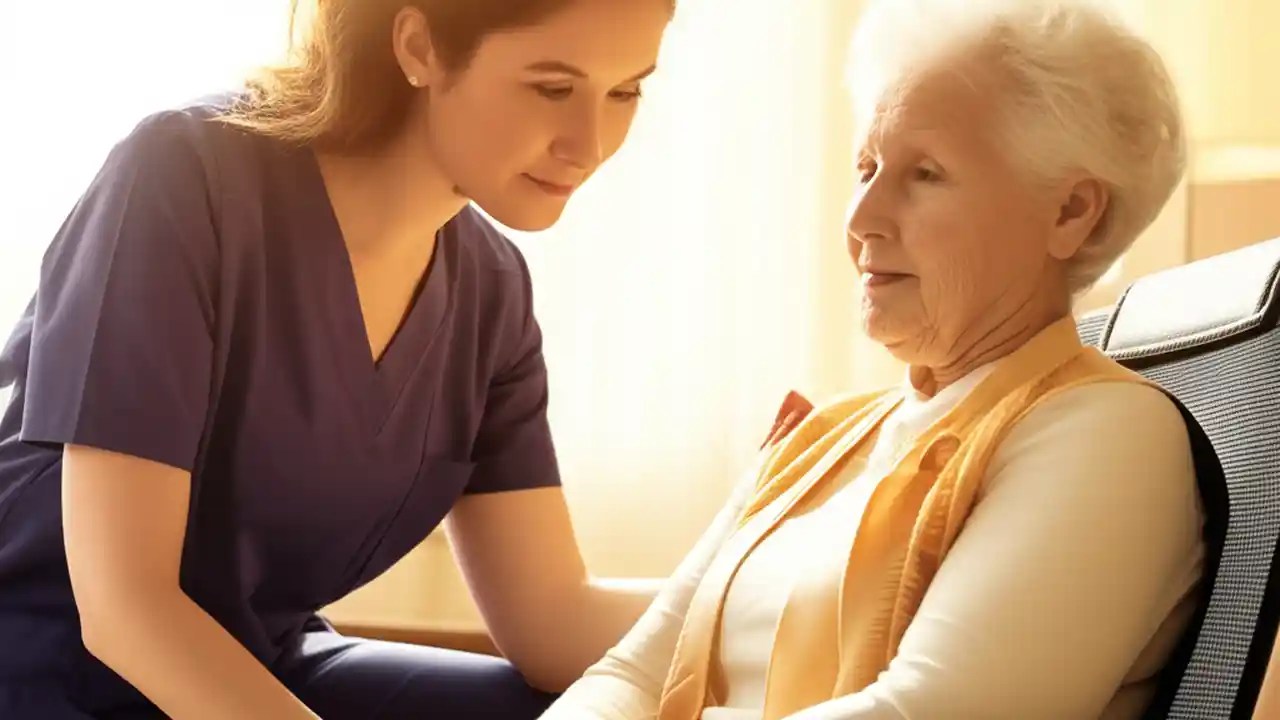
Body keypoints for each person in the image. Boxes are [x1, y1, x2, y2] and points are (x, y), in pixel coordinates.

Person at [0, 0, 676, 717]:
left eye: (626, 91)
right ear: (419, 47)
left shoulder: (491, 292)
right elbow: (127, 609)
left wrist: (764, 576)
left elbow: (554, 620)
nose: (589, 143)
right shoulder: (186, 174)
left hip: (262, 669)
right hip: (47, 676)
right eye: (552, 88)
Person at [539, 0, 1203, 718]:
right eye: (867, 167)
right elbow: (634, 674)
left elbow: (928, 711)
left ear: (1073, 211)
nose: (861, 220)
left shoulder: (1108, 437)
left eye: (925, 173)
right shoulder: (823, 437)